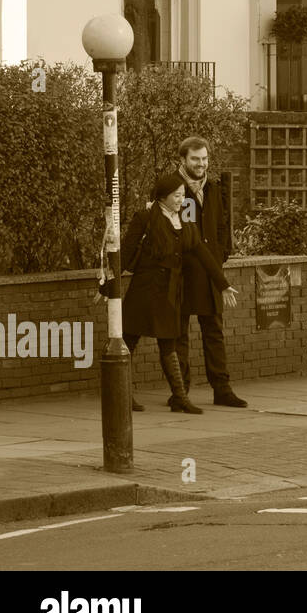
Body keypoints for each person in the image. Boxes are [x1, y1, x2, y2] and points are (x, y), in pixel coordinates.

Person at [120, 172, 238, 413]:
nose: (181, 201)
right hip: (144, 291)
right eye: (177, 196)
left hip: (170, 292)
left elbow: (203, 254)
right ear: (162, 196)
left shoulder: (183, 222)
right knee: (128, 342)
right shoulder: (145, 218)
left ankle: (180, 398)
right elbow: (125, 251)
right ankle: (123, 394)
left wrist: (222, 283)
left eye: (183, 196)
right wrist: (106, 286)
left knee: (168, 345)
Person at [173, 136, 247, 408]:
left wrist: (220, 255)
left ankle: (222, 389)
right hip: (180, 273)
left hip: (209, 272)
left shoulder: (214, 189)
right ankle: (180, 392)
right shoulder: (171, 188)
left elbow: (220, 226)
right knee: (178, 334)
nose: (201, 164)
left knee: (214, 331)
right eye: (195, 159)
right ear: (182, 160)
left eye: (204, 159)